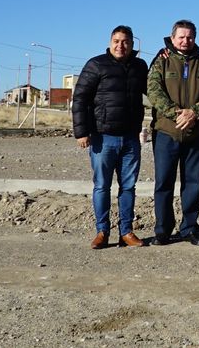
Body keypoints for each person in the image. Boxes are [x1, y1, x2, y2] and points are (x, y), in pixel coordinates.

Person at [71, 25, 150, 249]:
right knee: (101, 186)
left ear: (132, 44)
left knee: (128, 187)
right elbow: (80, 99)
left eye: (125, 42)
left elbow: (153, 90)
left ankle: (126, 231)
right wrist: (81, 132)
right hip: (102, 137)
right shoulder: (96, 65)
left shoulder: (139, 66)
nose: (120, 46)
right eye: (116, 41)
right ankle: (102, 232)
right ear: (110, 42)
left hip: (130, 138)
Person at [147, 20, 199, 246]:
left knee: (192, 183)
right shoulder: (162, 61)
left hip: (194, 132)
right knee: (164, 182)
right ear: (173, 38)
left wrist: (194, 112)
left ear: (195, 38)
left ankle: (189, 227)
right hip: (167, 132)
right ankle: (163, 229)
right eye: (181, 37)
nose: (185, 41)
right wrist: (175, 113)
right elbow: (153, 90)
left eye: (189, 37)